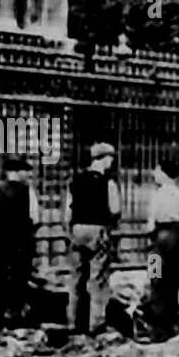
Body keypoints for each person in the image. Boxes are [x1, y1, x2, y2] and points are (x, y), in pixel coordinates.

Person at [66, 141, 121, 335]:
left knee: (76, 278)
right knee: (98, 279)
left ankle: (73, 321)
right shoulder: (109, 183)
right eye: (111, 158)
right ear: (105, 158)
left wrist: (71, 229)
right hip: (98, 229)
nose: (112, 162)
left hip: (78, 230)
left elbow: (68, 209)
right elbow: (115, 210)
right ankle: (95, 323)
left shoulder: (75, 181)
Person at [0, 155, 39, 331]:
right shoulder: (29, 193)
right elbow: (35, 218)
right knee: (19, 280)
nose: (26, 175)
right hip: (21, 244)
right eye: (23, 171)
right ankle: (15, 317)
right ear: (16, 172)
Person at [145, 151, 179, 341]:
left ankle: (157, 326)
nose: (154, 174)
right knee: (174, 279)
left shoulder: (157, 195)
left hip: (160, 238)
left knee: (155, 278)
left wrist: (151, 239)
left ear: (163, 173)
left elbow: (151, 221)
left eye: (157, 170)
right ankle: (171, 322)